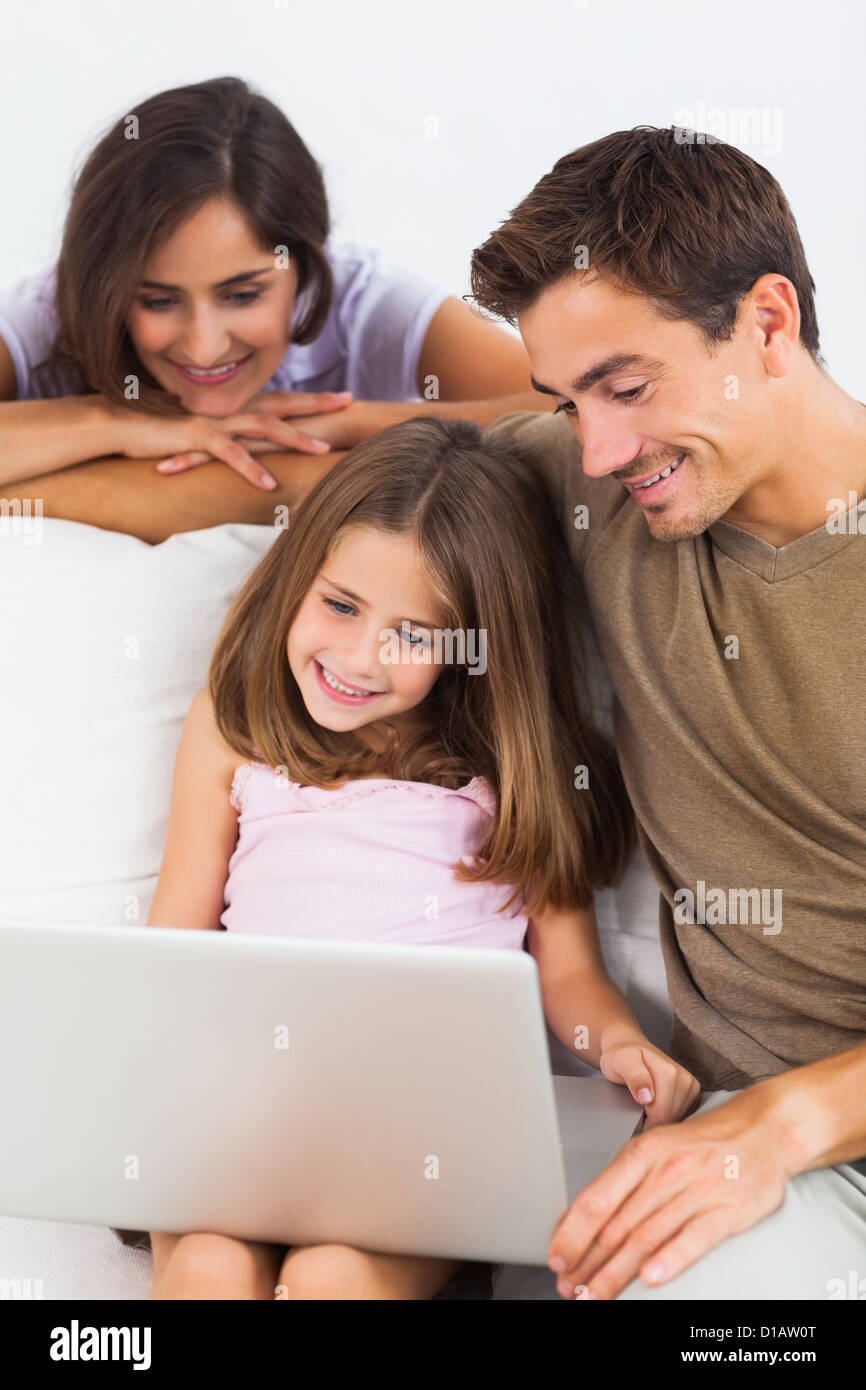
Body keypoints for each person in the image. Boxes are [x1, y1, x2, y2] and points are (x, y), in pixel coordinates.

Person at [118, 415, 700, 1300]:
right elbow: (174, 949)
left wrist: (618, 1044)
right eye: (340, 605)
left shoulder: (509, 772)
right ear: (297, 577)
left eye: (414, 634)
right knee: (208, 1265)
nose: (357, 657)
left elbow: (569, 979)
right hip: (244, 1117)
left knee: (331, 1280)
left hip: (423, 1140)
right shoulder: (233, 726)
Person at [469, 124, 866, 1301]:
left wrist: (777, 1128)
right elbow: (285, 466)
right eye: (565, 398)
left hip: (787, 1137)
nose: (594, 447)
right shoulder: (603, 484)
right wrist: (130, 425)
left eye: (624, 386)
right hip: (778, 1178)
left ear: (766, 322)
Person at [0, 76, 548, 498]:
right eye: (159, 300)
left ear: (307, 268)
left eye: (242, 295)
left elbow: (566, 412)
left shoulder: (368, 303)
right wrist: (121, 420)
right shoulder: (46, 313)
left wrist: (352, 425)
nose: (205, 346)